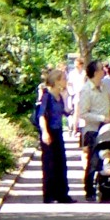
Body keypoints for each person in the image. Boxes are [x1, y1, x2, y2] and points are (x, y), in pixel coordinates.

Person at [76, 61, 110, 200]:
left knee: (106, 159)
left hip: (106, 129)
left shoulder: (105, 87)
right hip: (92, 129)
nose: (103, 71)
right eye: (100, 69)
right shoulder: (86, 90)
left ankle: (105, 190)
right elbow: (83, 113)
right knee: (93, 161)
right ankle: (89, 190)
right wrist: (101, 118)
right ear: (94, 72)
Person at [36, 65, 72, 203]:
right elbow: (42, 115)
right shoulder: (47, 97)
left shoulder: (59, 97)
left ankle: (62, 194)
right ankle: (49, 194)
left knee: (61, 162)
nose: (65, 81)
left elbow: (64, 112)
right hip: (49, 131)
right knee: (49, 163)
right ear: (56, 81)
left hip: (58, 131)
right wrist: (45, 132)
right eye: (63, 79)